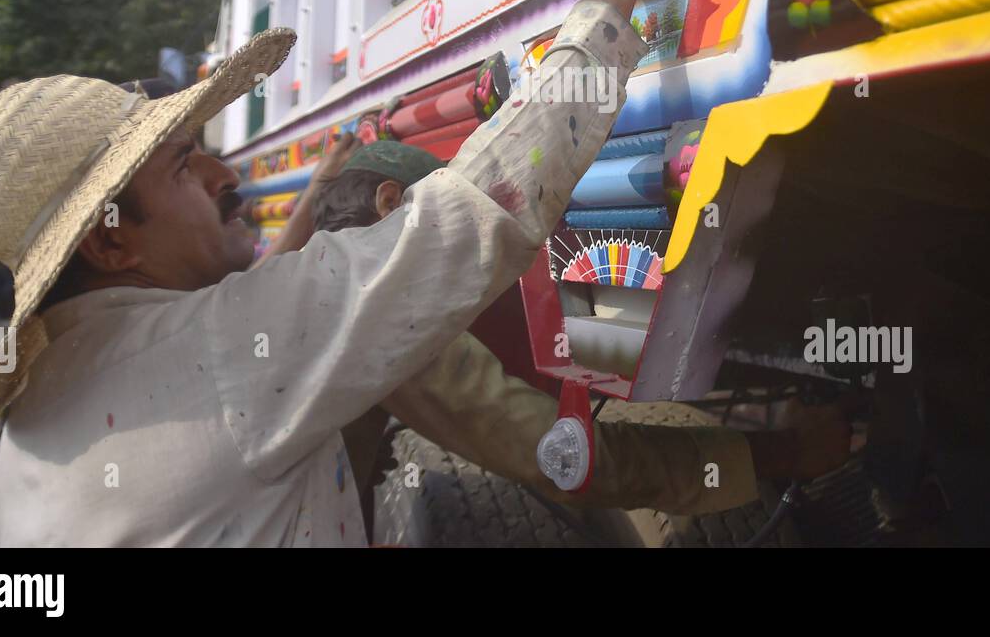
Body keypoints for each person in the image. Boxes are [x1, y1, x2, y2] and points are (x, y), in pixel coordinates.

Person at [0, 0, 840, 545]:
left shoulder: (50, 409)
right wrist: (605, 2)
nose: (221, 174)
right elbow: (483, 210)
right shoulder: (239, 349)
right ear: (111, 239)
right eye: (181, 167)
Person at [308, 140, 853, 537]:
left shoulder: (310, 287)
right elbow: (562, 460)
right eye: (451, 211)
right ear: (388, 204)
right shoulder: (377, 315)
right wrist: (779, 453)